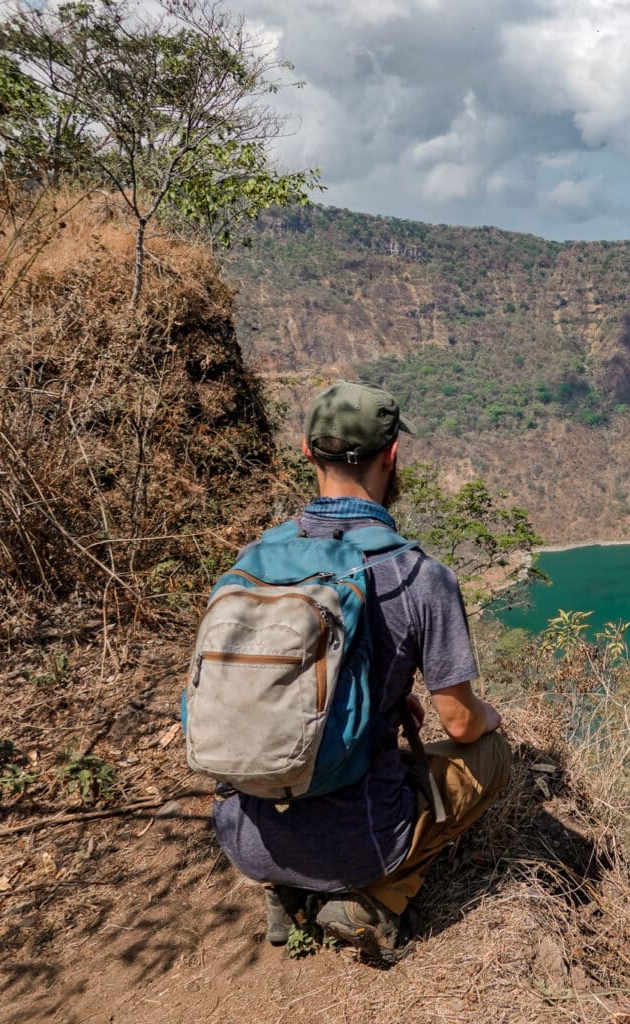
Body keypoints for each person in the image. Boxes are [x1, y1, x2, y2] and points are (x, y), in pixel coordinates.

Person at [210, 381, 511, 956]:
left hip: (245, 835)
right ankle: (369, 900)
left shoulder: (254, 560)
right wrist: (489, 717)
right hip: (361, 844)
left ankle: (284, 883)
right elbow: (462, 727)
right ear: (392, 457)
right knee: (492, 755)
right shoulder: (418, 576)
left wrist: (389, 700)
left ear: (306, 451)